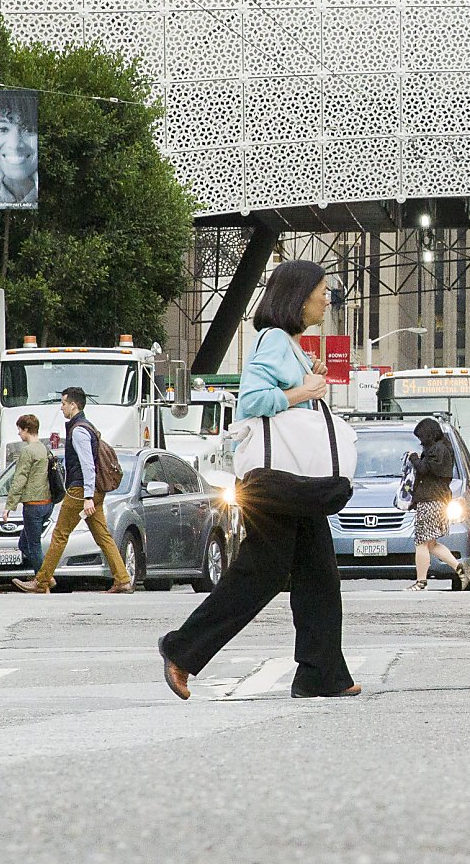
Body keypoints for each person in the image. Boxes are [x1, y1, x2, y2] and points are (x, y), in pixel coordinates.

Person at [157, 260, 356, 700]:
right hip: (276, 481)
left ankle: (319, 673)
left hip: (291, 480)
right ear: (297, 295)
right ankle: (182, 650)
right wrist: (304, 390)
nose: (327, 298)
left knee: (319, 574)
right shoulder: (272, 340)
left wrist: (310, 378)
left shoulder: (290, 344)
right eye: (322, 290)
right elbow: (252, 401)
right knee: (261, 573)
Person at [13, 388, 134, 595]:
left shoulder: (78, 430)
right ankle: (122, 579)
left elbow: (88, 466)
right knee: (103, 535)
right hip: (91, 491)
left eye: (63, 403)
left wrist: (87, 496)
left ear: (73, 405)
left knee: (60, 534)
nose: (61, 407)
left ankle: (41, 581)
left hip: (80, 491)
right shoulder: (87, 426)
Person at [407, 417, 470, 592]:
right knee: (431, 544)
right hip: (438, 499)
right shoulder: (444, 448)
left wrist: (413, 458)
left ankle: (421, 582)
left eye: (421, 437)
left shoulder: (436, 451)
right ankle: (460, 569)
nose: (420, 441)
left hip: (431, 501)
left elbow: (424, 469)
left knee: (421, 543)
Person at [2, 413, 56, 575]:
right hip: (47, 503)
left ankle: (44, 578)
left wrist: (9, 506)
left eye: (20, 430)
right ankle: (43, 577)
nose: (19, 433)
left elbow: (20, 478)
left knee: (33, 545)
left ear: (26, 429)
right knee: (24, 544)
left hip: (33, 503)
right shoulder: (44, 449)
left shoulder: (27, 451)